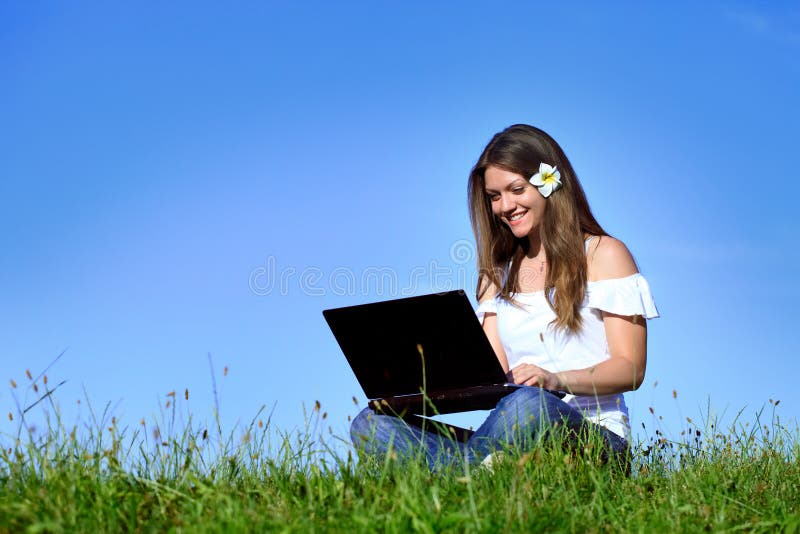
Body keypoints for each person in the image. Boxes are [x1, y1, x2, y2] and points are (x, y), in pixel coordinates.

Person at [350, 124, 659, 470]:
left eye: (516, 189)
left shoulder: (604, 254)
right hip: (509, 438)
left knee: (530, 403)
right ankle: (478, 476)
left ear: (549, 185)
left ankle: (460, 479)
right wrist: (414, 391)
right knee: (370, 423)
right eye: (494, 196)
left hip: (592, 439)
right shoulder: (496, 275)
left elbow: (630, 368)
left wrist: (556, 380)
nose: (505, 206)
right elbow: (488, 379)